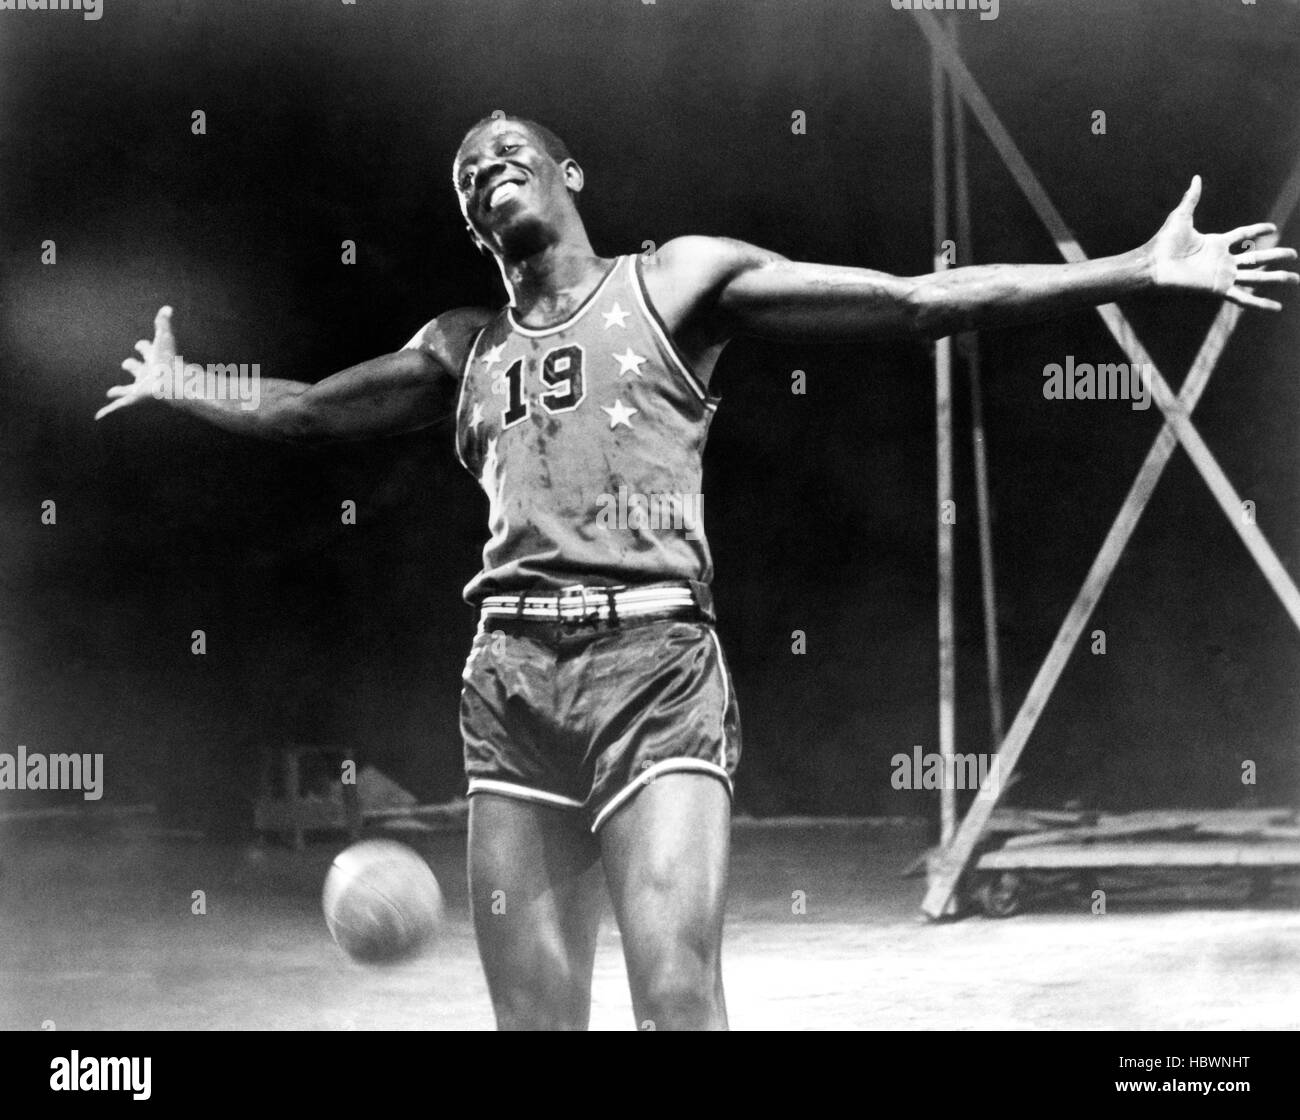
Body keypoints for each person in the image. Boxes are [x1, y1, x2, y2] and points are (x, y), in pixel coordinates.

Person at [98, 114, 1297, 1030]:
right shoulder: (459, 347)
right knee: (536, 1022)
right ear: (469, 222)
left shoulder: (674, 281)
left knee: (676, 1000)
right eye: (467, 172)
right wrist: (182, 383)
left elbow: (911, 300)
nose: (486, 167)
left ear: (571, 178)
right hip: (508, 685)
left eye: (510, 151)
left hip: (653, 668)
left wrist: (1134, 270)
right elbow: (308, 410)